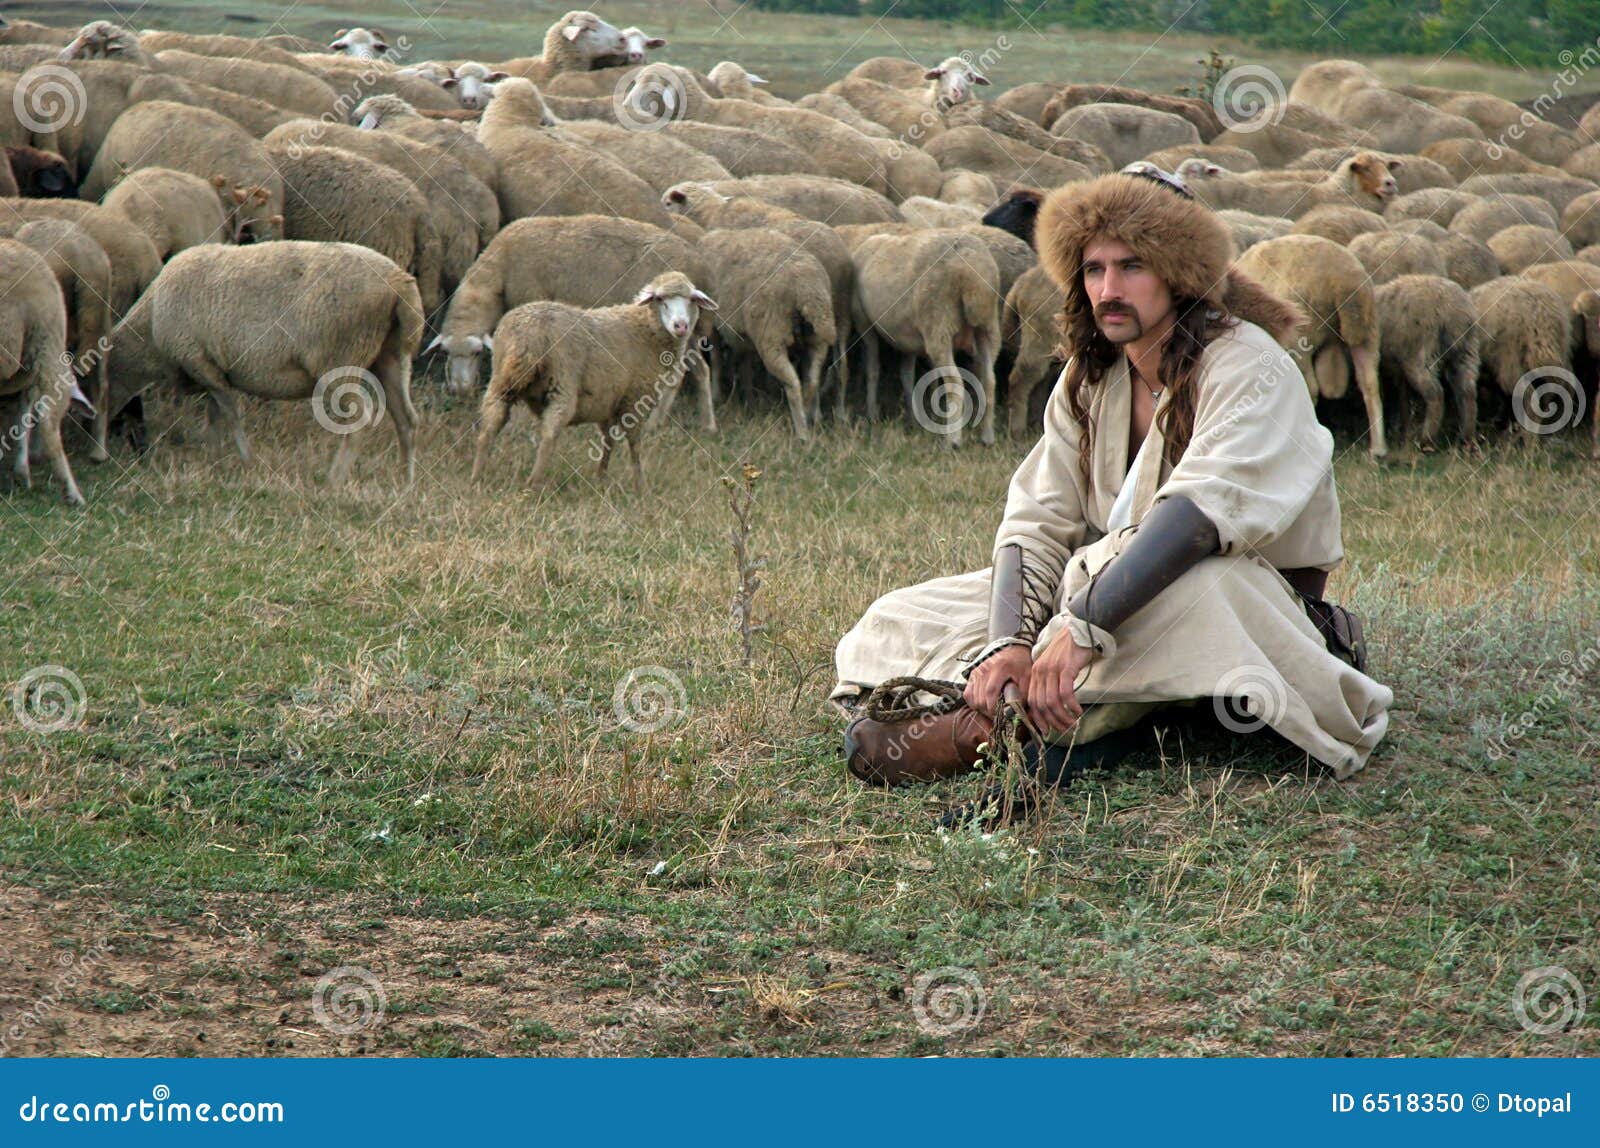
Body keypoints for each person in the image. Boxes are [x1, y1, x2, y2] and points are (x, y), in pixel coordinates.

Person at [831, 167, 1393, 827]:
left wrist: (1082, 627)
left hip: (1234, 596)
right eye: (1094, 269)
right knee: (895, 616)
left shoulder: (1250, 365)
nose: (1108, 289)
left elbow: (1202, 516)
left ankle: (991, 728)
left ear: (1180, 274)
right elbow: (1038, 519)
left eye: (1132, 266)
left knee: (1204, 590)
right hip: (1100, 591)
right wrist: (1009, 641)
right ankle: (1039, 693)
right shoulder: (1091, 376)